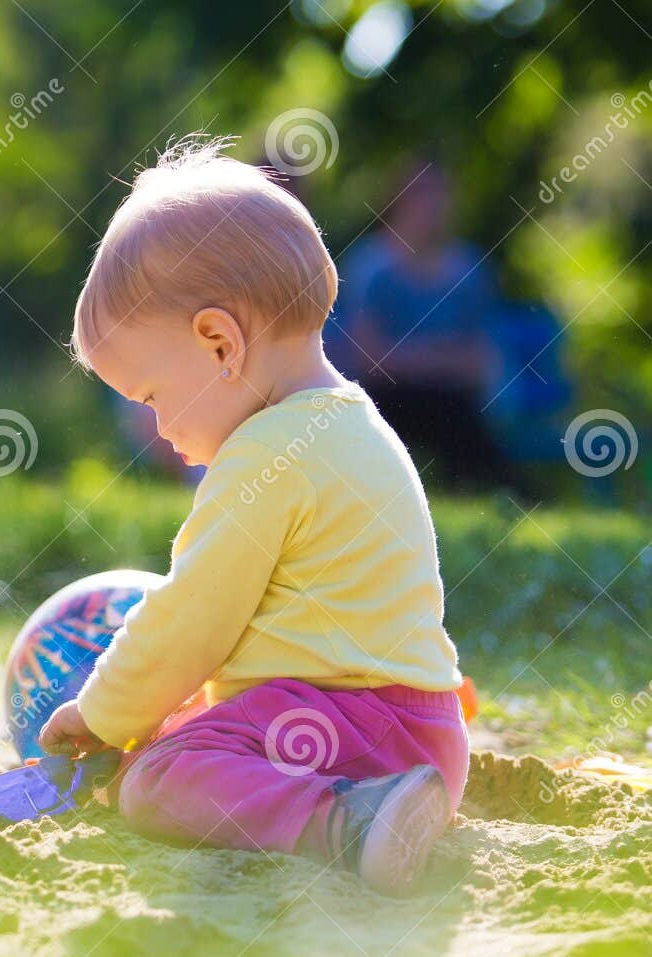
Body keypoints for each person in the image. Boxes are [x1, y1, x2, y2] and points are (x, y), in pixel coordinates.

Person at [41, 139, 468, 897]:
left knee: (160, 778)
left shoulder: (265, 454)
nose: (160, 429)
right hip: (422, 730)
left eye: (150, 396)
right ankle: (378, 805)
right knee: (178, 742)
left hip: (356, 732)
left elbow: (192, 620)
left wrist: (105, 712)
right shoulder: (350, 422)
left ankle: (352, 822)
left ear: (219, 343)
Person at [335, 159, 519, 492]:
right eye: (421, 194)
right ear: (398, 201)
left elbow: (480, 359)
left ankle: (492, 497)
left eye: (440, 194)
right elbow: (369, 360)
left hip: (451, 400)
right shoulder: (370, 267)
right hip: (387, 400)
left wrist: (413, 358)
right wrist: (440, 357)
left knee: (461, 420)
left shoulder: (467, 269)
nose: (432, 205)